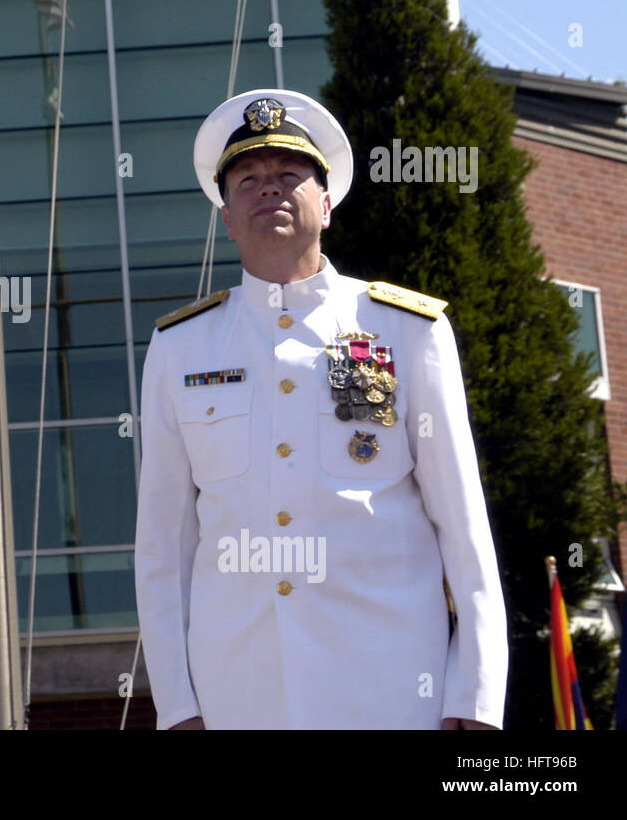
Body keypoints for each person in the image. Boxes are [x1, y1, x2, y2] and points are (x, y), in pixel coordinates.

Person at [134, 89, 507, 729]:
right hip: (240, 692)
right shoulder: (180, 347)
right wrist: (178, 705)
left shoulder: (404, 329)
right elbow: (164, 548)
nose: (268, 190)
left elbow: (462, 521)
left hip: (390, 684)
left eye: (288, 175)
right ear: (226, 215)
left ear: (327, 204)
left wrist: (474, 696)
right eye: (247, 179)